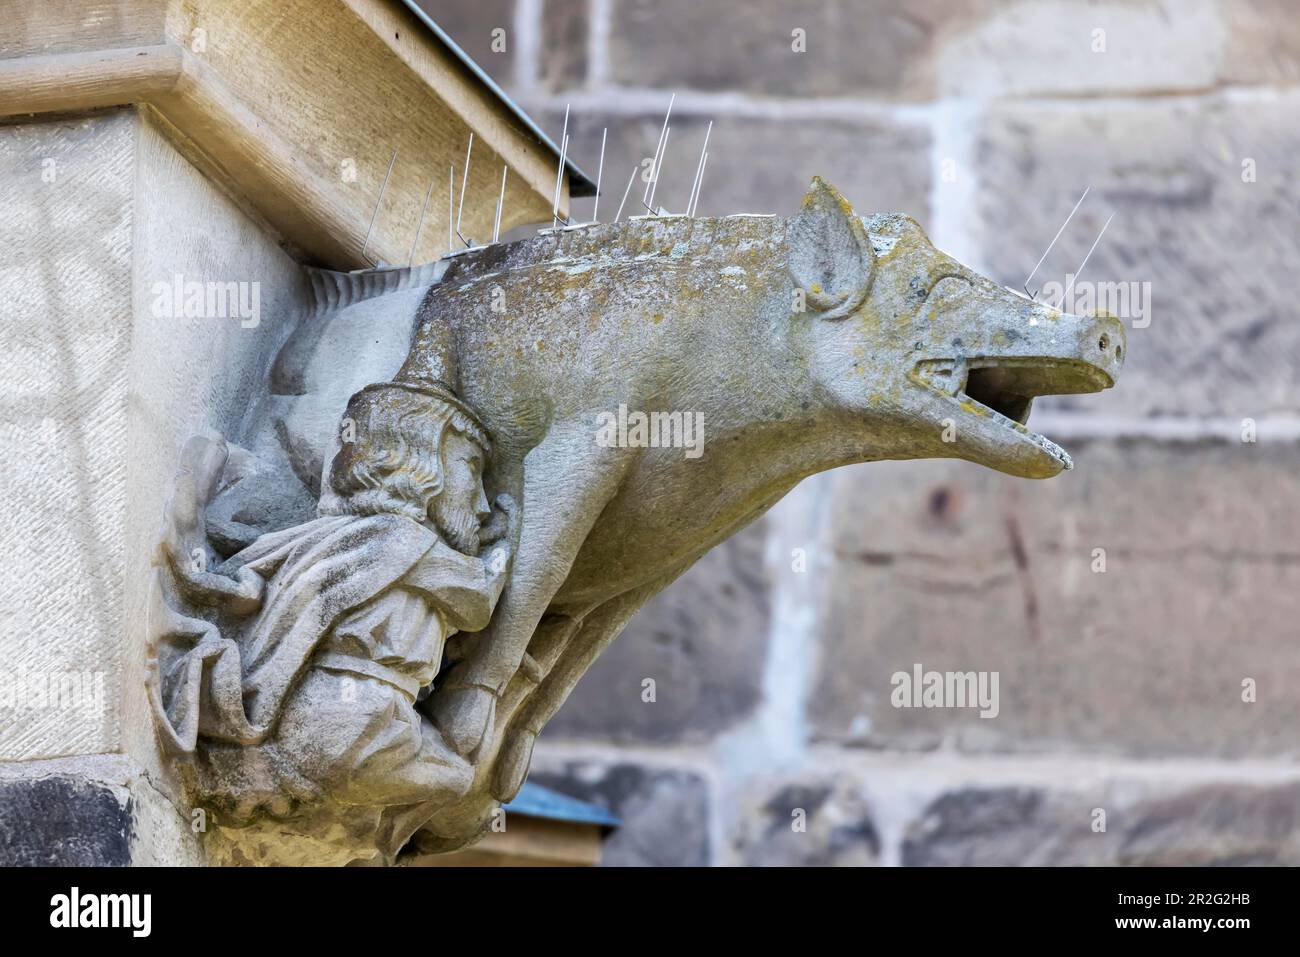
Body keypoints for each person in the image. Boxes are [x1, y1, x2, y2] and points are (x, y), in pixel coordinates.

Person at [148, 381, 516, 857]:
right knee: (459, 778)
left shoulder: (341, 539)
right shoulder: (408, 543)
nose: (482, 503)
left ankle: (282, 780)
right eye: (471, 470)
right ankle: (330, 815)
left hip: (316, 710)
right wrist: (508, 540)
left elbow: (248, 575)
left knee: (441, 777)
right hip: (363, 718)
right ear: (422, 464)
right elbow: (480, 599)